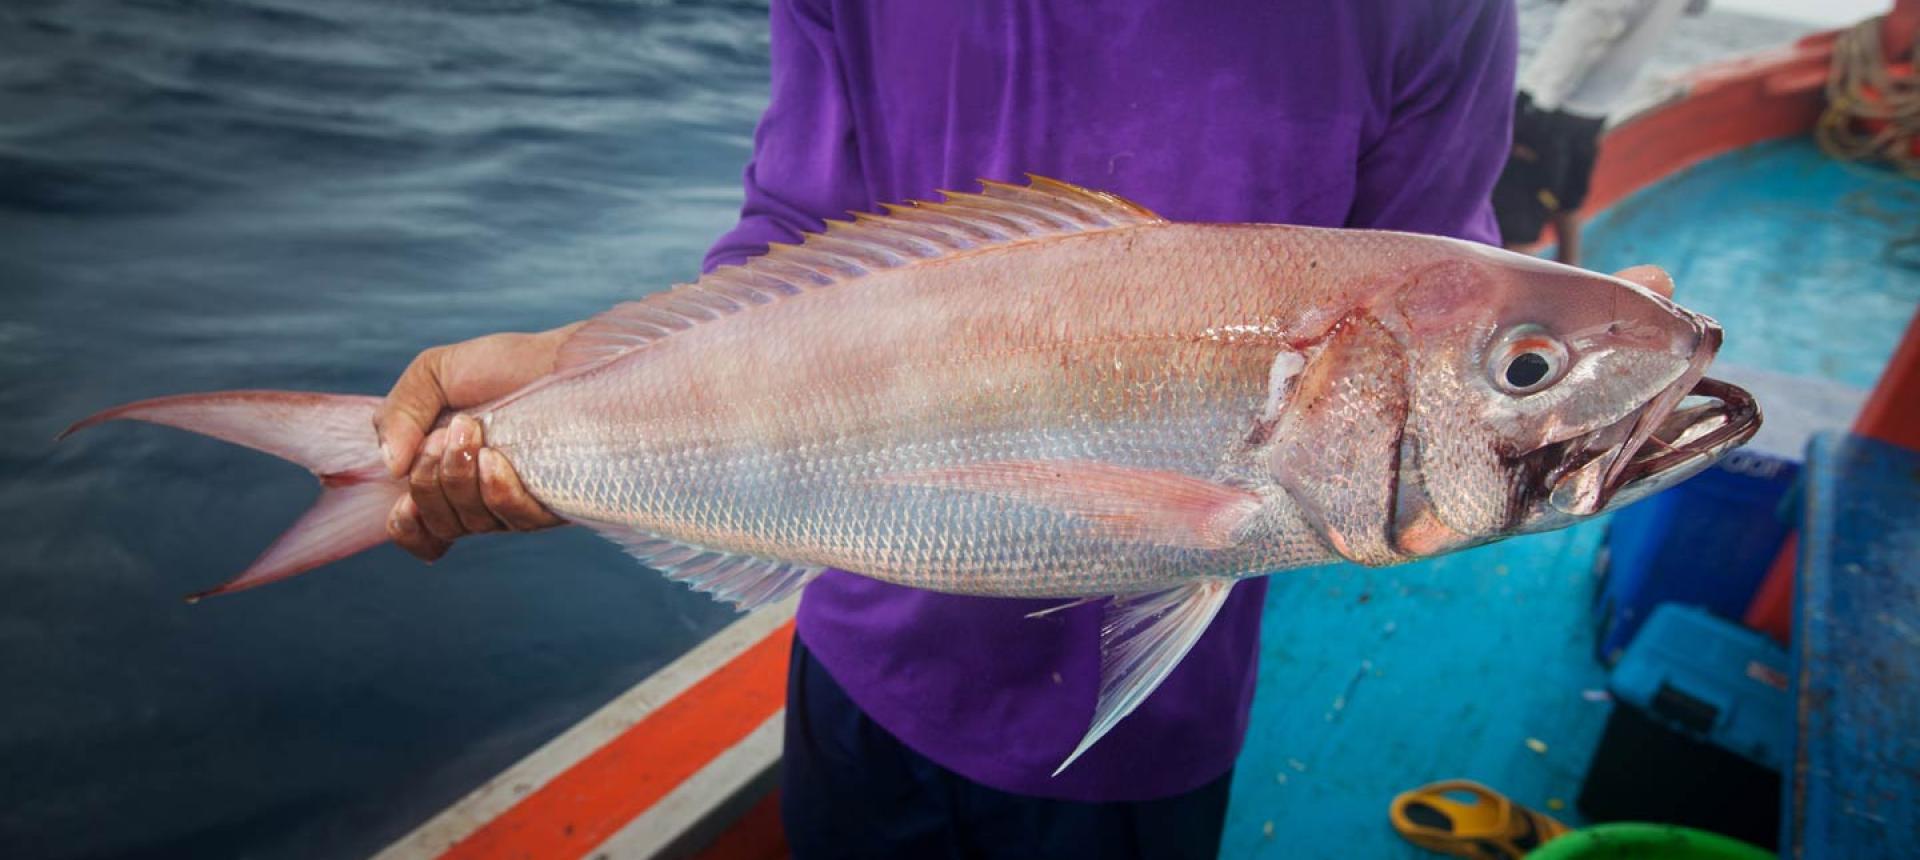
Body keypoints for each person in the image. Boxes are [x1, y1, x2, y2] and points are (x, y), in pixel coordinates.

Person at [374, 3, 1521, 856]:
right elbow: (791, 239)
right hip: (863, 656)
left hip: (1139, 725)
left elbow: (1432, 293)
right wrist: (578, 376)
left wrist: (1540, 397)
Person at [1492, 0, 1707, 264]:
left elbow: (1587, 31)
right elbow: (1697, 7)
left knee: (1517, 225)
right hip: (1595, 110)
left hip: (1551, 105)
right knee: (1569, 202)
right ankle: (1573, 279)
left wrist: (1536, 112)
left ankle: (1523, 298)